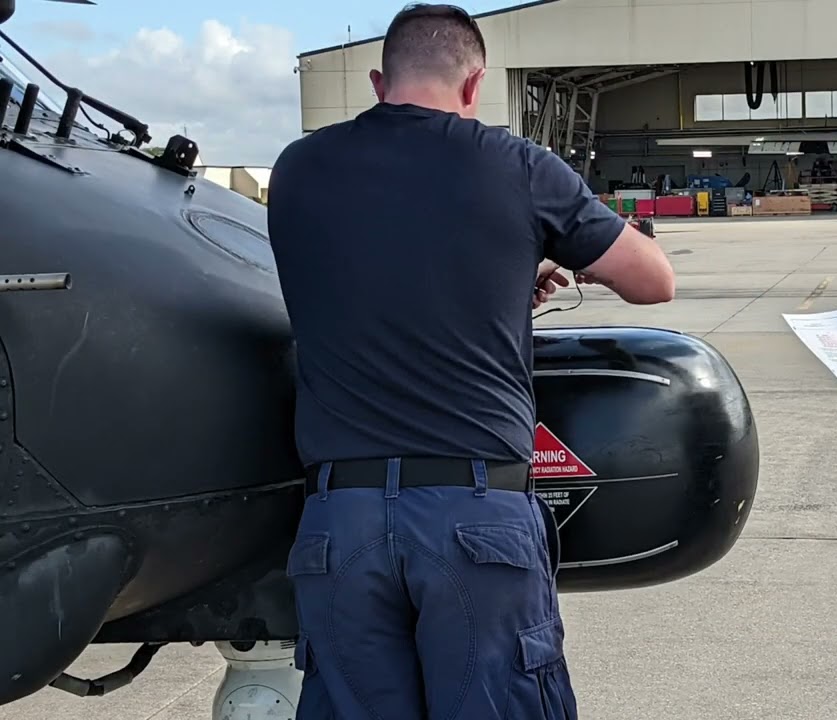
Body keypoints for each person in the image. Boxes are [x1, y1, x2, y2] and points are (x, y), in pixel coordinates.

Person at [265, 4, 675, 718]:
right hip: (472, 515)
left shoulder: (299, 168)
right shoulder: (517, 166)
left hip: (340, 520)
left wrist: (507, 282)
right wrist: (533, 257)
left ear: (378, 82)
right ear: (475, 83)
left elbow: (380, 275)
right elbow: (653, 280)